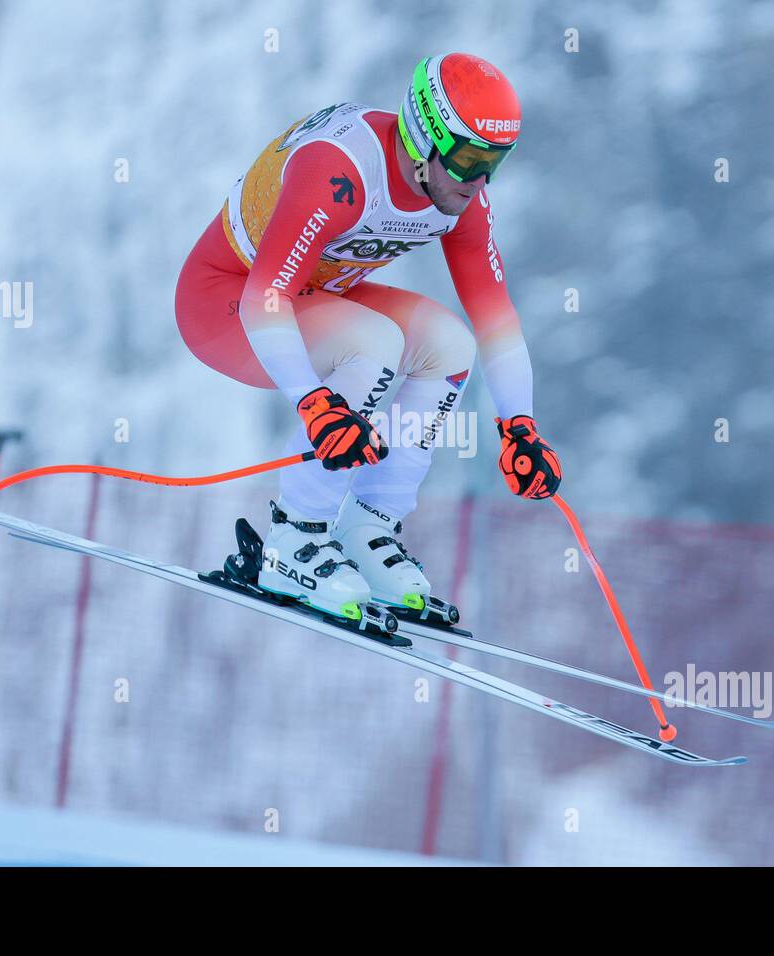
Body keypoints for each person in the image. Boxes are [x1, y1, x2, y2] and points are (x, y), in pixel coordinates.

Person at [175, 53, 561, 619]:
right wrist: (315, 405)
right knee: (374, 342)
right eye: (470, 159)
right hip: (228, 302)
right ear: (424, 136)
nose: (479, 181)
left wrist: (520, 425)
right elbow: (266, 297)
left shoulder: (458, 196)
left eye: (494, 164)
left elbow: (496, 320)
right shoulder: (340, 169)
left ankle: (368, 529)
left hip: (312, 296)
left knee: (450, 346)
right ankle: (294, 537)